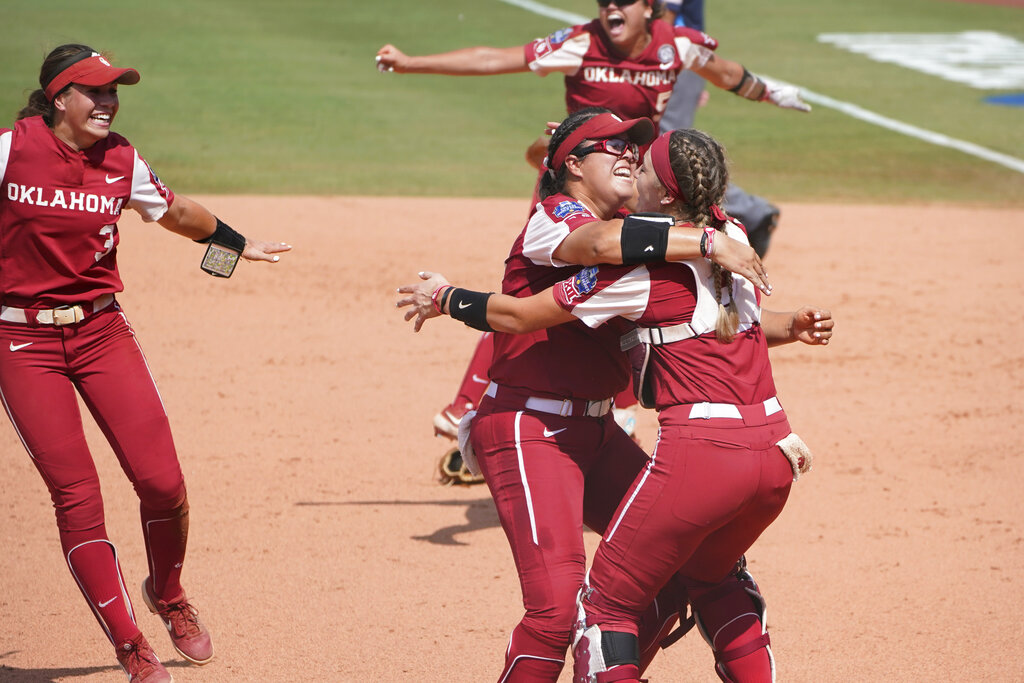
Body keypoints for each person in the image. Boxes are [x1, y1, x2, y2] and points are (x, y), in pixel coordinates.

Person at [399, 126, 833, 682]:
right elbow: (592, 253)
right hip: (536, 427)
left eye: (640, 157)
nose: (629, 157)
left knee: (630, 595)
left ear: (667, 193)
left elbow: (719, 324)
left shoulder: (649, 259)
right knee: (567, 611)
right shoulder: (579, 219)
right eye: (613, 147)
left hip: (638, 438)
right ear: (573, 165)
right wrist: (447, 297)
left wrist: (782, 323)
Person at [377, 0, 808, 474]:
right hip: (581, 189)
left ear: (651, 8)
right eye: (604, 1)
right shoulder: (581, 42)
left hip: (634, 187)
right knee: (537, 294)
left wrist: (773, 93)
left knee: (627, 296)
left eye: (623, 1)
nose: (610, 7)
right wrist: (412, 63)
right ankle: (473, 407)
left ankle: (609, 406)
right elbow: (495, 58)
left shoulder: (676, 46)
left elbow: (726, 73)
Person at [0, 44, 291, 682]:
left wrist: (234, 242)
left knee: (162, 482)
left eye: (114, 92)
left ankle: (168, 593)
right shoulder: (9, 150)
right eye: (94, 92)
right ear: (58, 98)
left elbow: (176, 211)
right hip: (23, 345)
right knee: (77, 498)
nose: (108, 102)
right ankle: (130, 643)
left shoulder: (121, 158)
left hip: (103, 331)